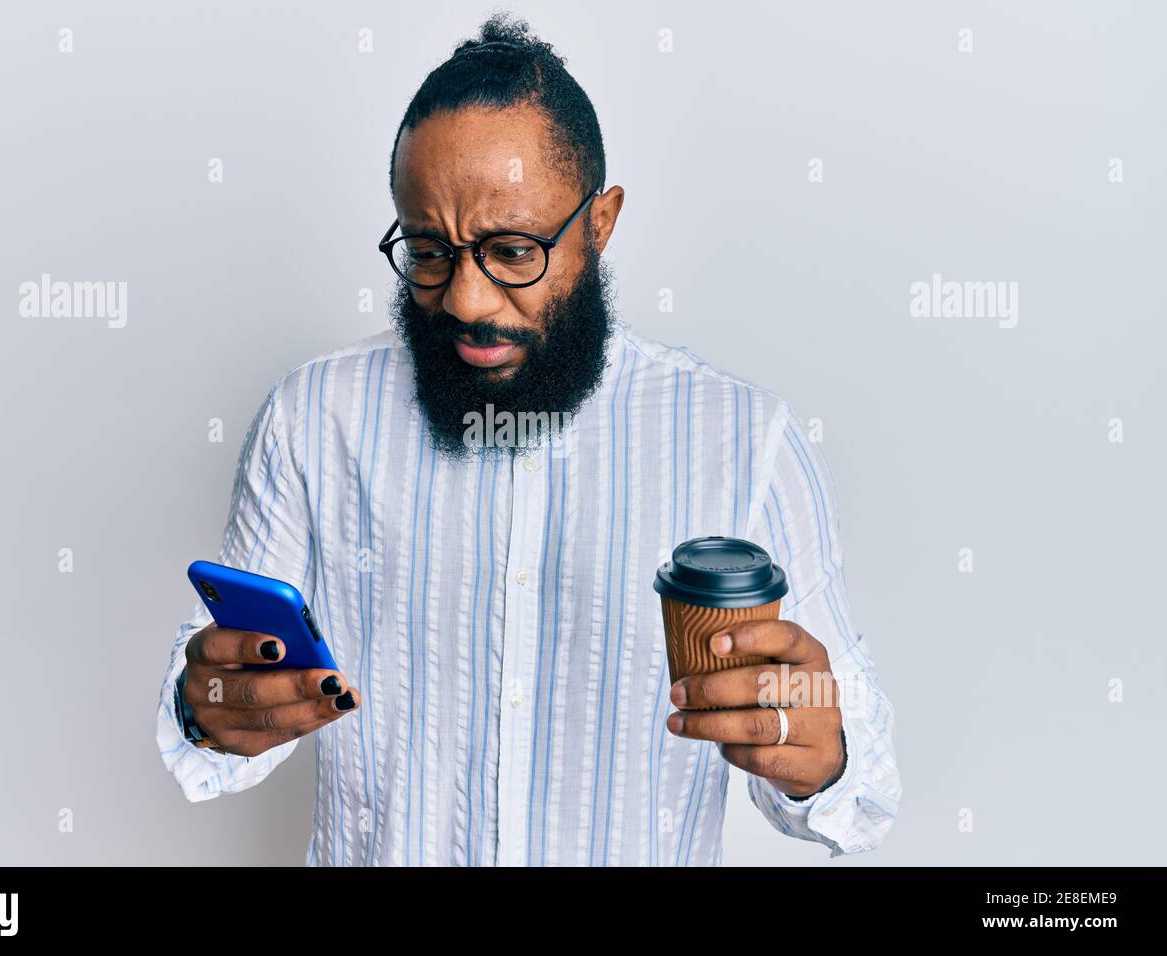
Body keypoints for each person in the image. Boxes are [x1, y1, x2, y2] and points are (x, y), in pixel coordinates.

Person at [157, 13, 899, 866]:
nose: (468, 301)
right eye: (431, 251)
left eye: (513, 251)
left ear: (602, 222)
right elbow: (219, 727)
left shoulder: (743, 438)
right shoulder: (310, 419)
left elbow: (862, 793)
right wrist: (206, 703)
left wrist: (821, 753)